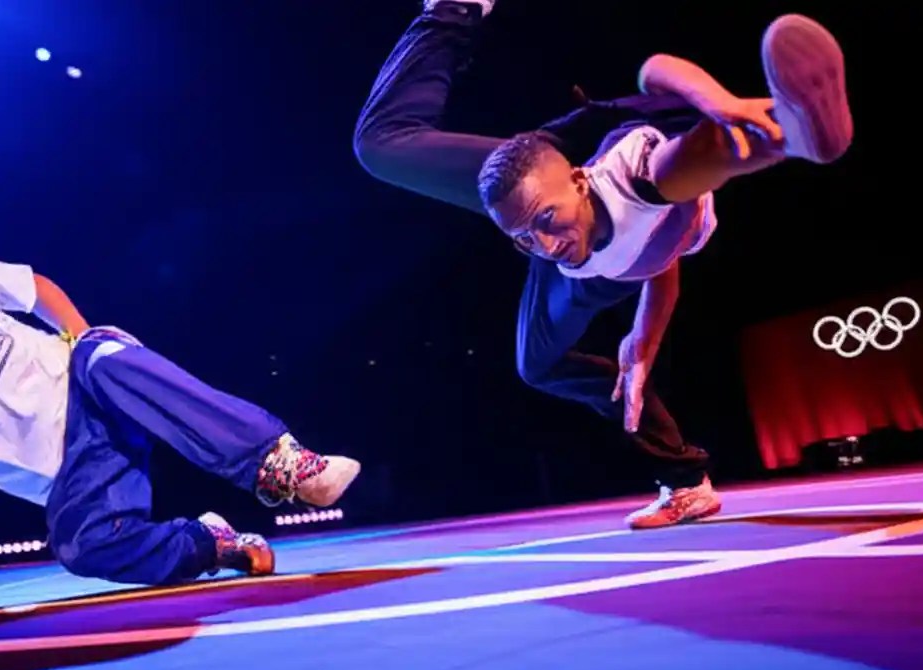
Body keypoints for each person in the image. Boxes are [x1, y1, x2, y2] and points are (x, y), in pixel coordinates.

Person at [352, 1, 852, 528]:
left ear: (579, 178)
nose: (545, 244)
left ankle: (787, 133)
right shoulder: (544, 219)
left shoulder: (641, 180)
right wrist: (639, 345)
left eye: (545, 224)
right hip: (540, 184)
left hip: (600, 213)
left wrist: (743, 117)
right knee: (382, 149)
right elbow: (655, 72)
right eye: (524, 238)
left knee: (673, 177)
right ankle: (457, 10)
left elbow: (682, 180)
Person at [0, 249, 361, 612]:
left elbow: (34, 289)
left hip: (91, 385)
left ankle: (280, 462)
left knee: (104, 358)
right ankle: (210, 541)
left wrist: (82, 339)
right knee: (79, 547)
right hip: (78, 472)